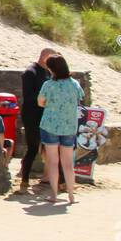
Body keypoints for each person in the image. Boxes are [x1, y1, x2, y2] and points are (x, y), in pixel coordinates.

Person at [38, 54, 84, 205]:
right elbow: (80, 98)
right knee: (68, 163)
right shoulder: (74, 84)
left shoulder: (49, 85)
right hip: (69, 126)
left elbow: (41, 102)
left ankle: (54, 194)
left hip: (50, 125)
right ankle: (71, 194)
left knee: (52, 161)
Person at [18, 48, 56, 195]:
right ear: (45, 58)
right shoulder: (30, 72)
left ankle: (49, 179)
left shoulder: (47, 72)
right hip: (32, 115)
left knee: (48, 147)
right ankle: (24, 179)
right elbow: (28, 96)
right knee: (33, 148)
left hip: (44, 115)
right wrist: (45, 99)